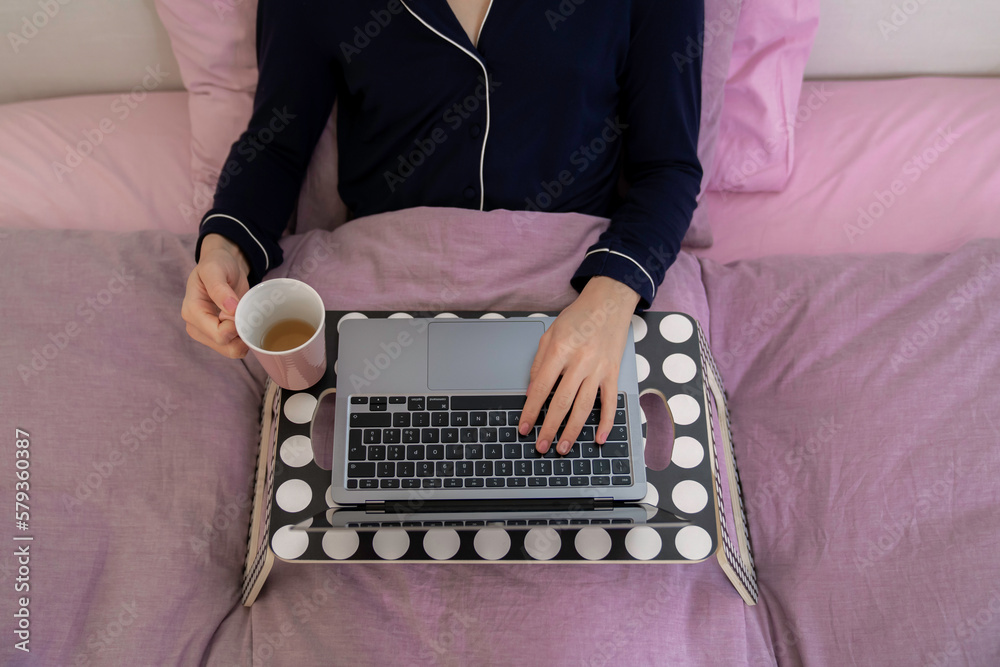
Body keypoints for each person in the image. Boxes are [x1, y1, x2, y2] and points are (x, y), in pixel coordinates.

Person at [181, 0, 704, 456]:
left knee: (611, 517)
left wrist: (609, 301)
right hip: (384, 275)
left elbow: (669, 168)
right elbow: (277, 144)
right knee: (331, 522)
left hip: (579, 281)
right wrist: (225, 245)